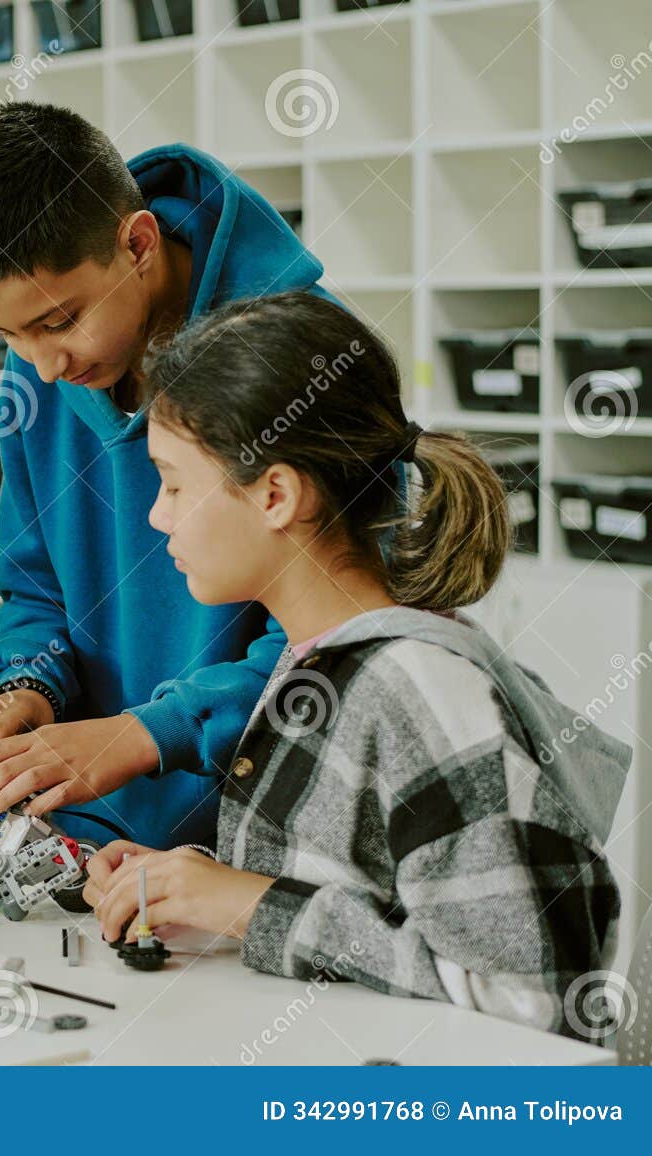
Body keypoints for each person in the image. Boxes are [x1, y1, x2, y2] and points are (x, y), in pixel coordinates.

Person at [83, 292, 626, 1041]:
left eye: (174, 483)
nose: (158, 515)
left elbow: (539, 999)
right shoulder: (318, 660)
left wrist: (245, 903)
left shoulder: (418, 689)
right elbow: (363, 900)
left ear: (276, 495)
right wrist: (192, 888)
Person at [0, 101, 338, 849]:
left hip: (272, 845)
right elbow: (36, 584)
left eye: (58, 321)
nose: (45, 364)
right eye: (8, 334)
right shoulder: (38, 372)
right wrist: (26, 684)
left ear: (138, 243)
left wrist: (146, 734)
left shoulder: (304, 359)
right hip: (91, 841)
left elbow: (336, 642)